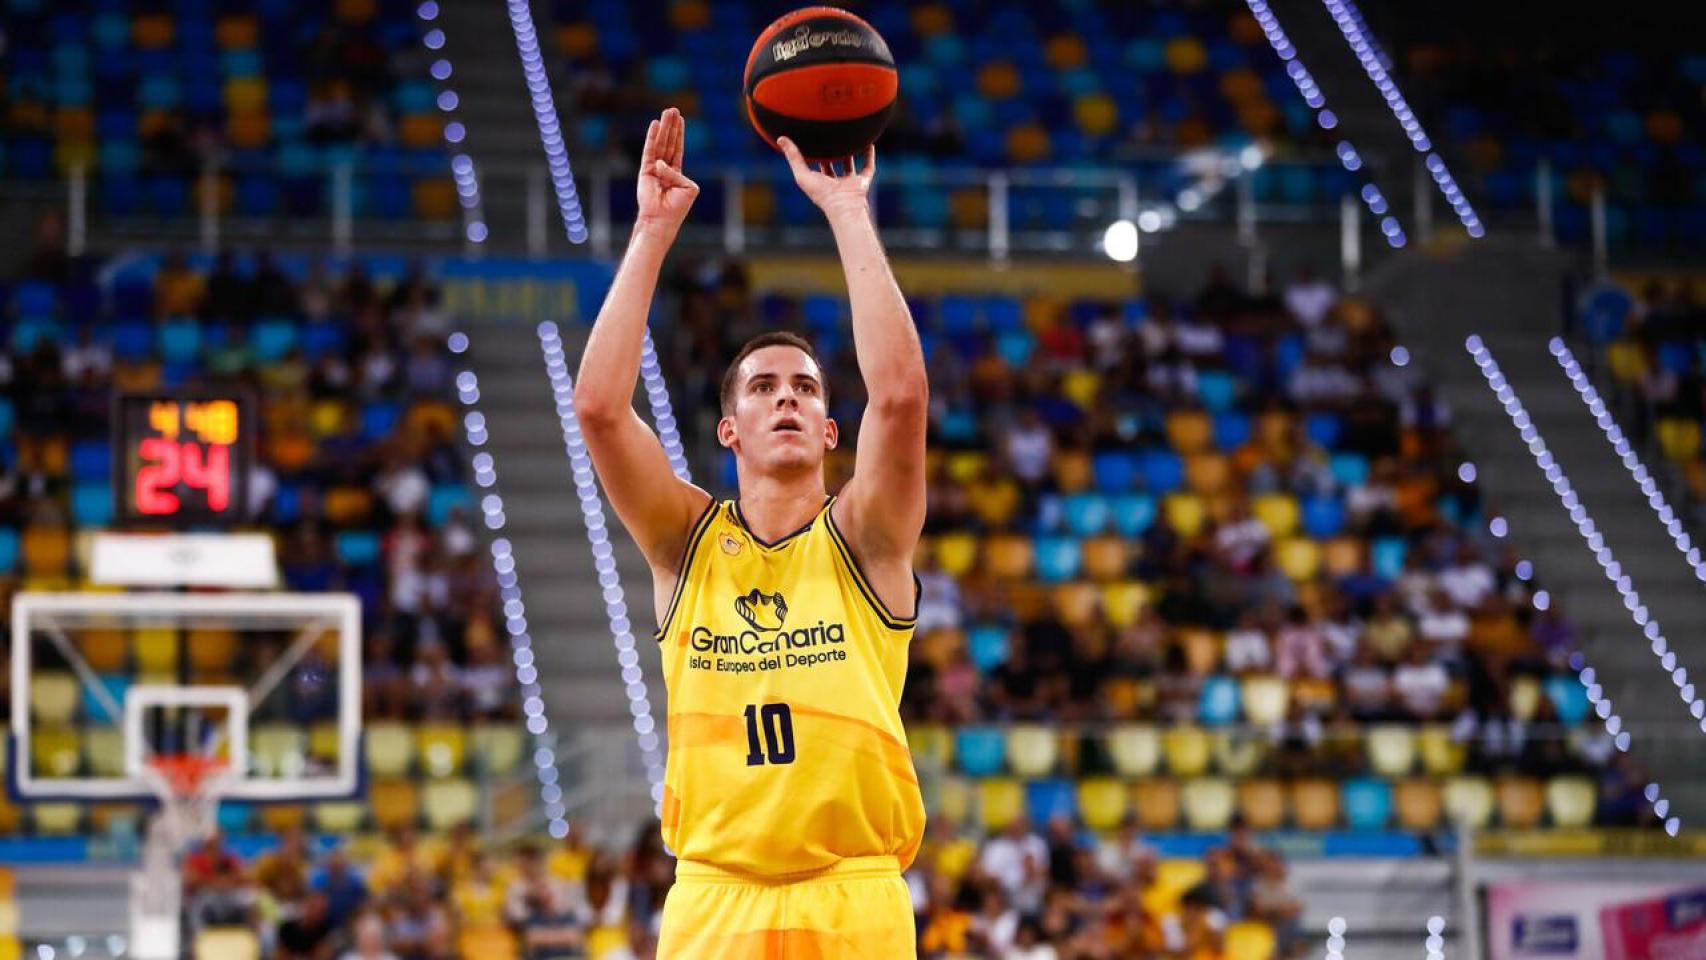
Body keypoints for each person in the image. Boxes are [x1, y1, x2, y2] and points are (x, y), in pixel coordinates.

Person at [576, 107, 928, 957]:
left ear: (830, 431)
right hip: (713, 897)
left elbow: (904, 395)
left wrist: (847, 209)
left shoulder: (867, 538)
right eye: (764, 387)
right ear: (729, 430)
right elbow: (597, 408)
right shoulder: (683, 540)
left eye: (807, 389)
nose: (787, 399)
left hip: (854, 896)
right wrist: (653, 234)